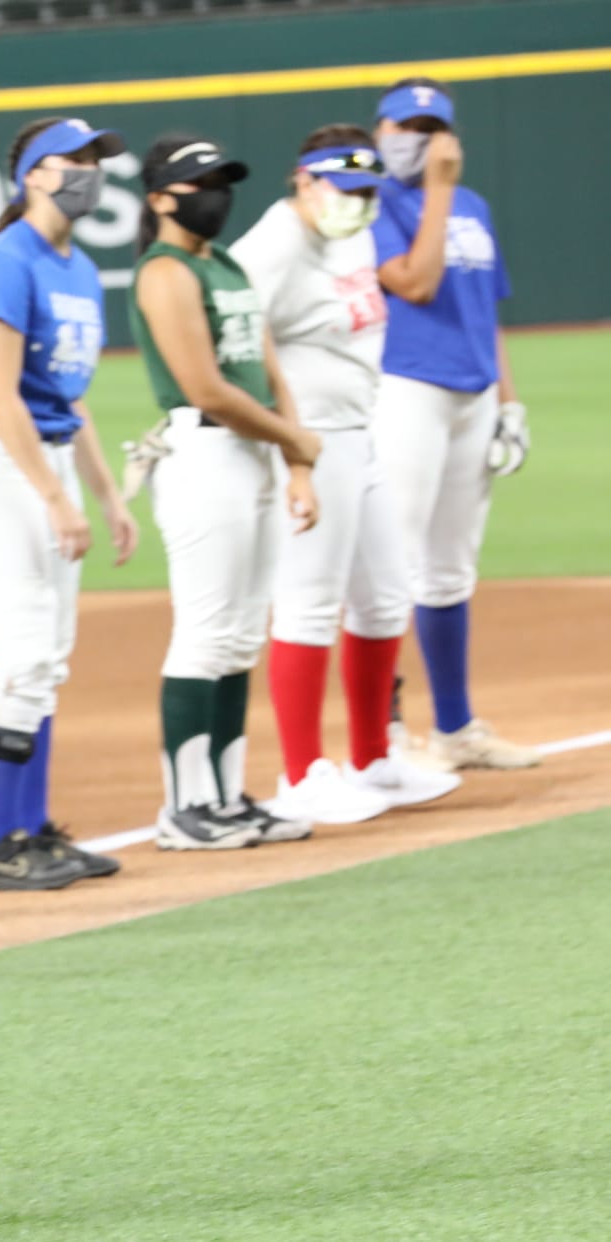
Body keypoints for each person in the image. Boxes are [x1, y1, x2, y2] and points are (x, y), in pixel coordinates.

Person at [231, 126, 464, 823]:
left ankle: (373, 759)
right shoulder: (270, 247)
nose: (357, 203)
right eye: (343, 189)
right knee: (308, 600)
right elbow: (237, 338)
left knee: (386, 595)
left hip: (359, 432)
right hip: (309, 438)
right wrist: (286, 441)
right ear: (304, 181)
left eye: (367, 191)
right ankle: (302, 773)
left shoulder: (353, 235)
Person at [0, 117, 137, 892]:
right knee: (21, 652)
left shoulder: (77, 265)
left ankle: (35, 829)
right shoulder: (3, 262)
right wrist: (56, 498)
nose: (92, 170)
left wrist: (105, 492)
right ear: (35, 174)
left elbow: (66, 401)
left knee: (47, 656)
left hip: (43, 456)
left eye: (97, 159)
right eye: (77, 159)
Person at [128, 135, 321, 851]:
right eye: (197, 182)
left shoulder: (226, 264)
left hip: (251, 452)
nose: (214, 192)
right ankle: (185, 807)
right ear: (159, 199)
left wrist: (295, 461)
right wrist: (293, 442)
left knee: (240, 635)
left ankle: (229, 796)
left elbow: (267, 371)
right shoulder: (164, 271)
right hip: (204, 451)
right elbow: (205, 384)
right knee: (206, 631)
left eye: (219, 179)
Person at [369, 78, 540, 770]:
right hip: (407, 388)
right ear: (379, 133)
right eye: (403, 124)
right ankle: (377, 739)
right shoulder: (370, 202)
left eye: (430, 126)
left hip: (472, 394)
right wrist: (436, 189)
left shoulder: (475, 207)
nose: (417, 137)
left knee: (448, 572)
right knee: (390, 566)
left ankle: (455, 728)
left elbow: (484, 311)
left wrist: (510, 399)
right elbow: (414, 282)